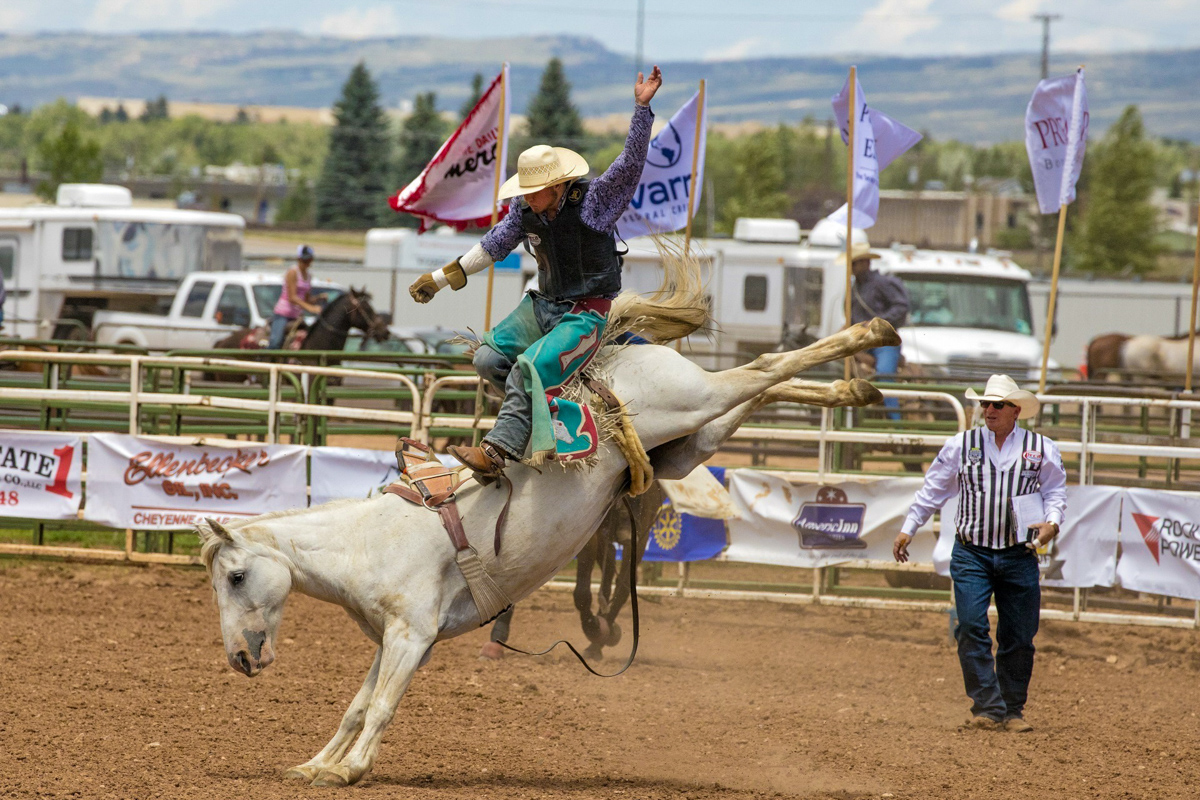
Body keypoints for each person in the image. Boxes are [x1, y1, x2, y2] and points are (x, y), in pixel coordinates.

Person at [408, 66, 663, 475]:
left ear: (558, 185)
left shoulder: (593, 202)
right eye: (524, 188)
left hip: (586, 312)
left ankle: (496, 452)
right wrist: (440, 279)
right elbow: (494, 244)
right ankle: (538, 415)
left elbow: (631, 163)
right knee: (488, 359)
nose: (527, 195)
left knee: (531, 364)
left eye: (534, 188)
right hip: (543, 304)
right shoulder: (523, 211)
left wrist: (641, 108)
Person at [893, 374, 1066, 733]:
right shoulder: (961, 445)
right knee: (970, 625)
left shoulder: (1041, 448)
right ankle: (989, 705)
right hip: (972, 551)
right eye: (985, 403)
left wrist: (1052, 522)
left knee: (1019, 635)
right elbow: (933, 490)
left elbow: (1055, 493)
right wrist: (909, 527)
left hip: (1019, 552)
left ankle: (1012, 709)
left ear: (1015, 410)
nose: (989, 409)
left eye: (997, 404)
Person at [842, 243, 908, 418]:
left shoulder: (882, 283)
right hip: (859, 342)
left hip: (883, 343)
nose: (851, 268)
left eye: (854, 264)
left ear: (865, 263)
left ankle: (897, 425)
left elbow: (901, 307)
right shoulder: (853, 289)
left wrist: (877, 323)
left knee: (885, 374)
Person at [269, 245, 322, 349]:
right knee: (276, 342)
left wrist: (318, 299)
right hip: (283, 314)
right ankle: (264, 360)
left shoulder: (309, 276)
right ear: (299, 259)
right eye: (304, 260)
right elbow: (292, 297)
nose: (307, 262)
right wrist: (310, 308)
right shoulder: (293, 272)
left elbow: (306, 299)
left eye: (308, 259)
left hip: (297, 316)